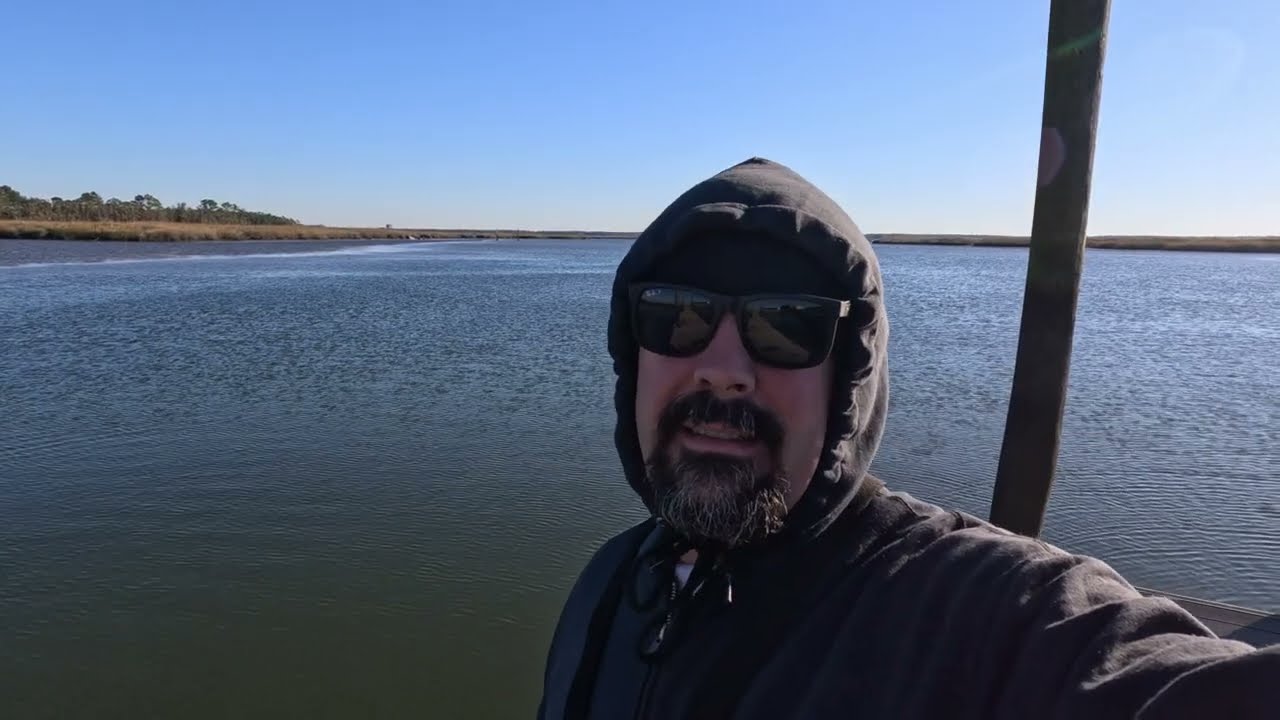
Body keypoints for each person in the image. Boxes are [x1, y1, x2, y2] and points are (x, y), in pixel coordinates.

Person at [536, 158, 1279, 719]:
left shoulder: (971, 610)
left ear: (849, 381)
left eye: (786, 325)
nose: (724, 370)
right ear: (634, 355)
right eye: (676, 317)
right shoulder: (607, 583)